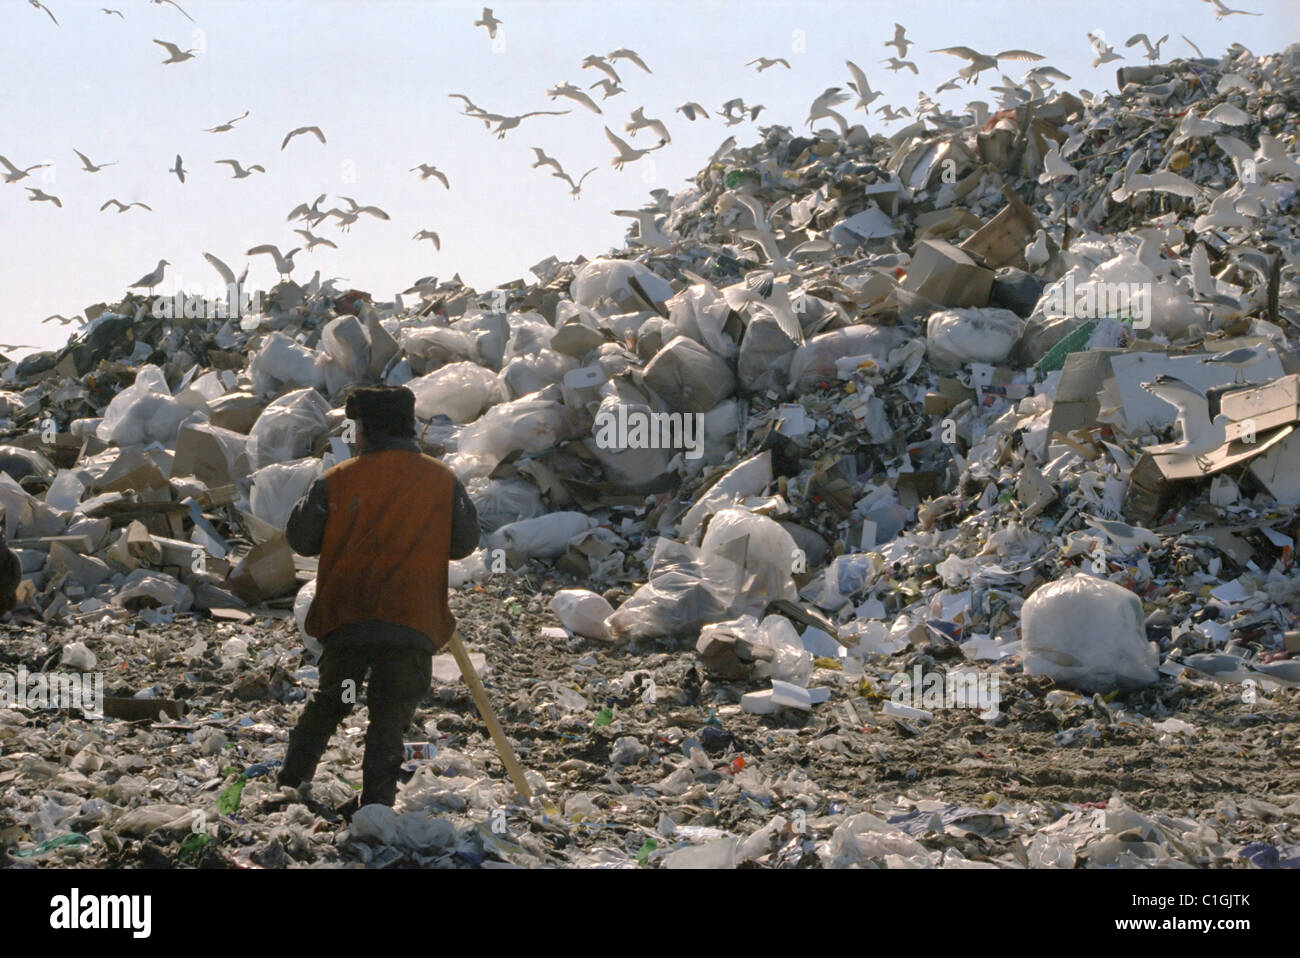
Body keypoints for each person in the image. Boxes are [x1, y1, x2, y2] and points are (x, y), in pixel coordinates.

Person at [274, 385, 479, 814]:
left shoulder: (338, 478)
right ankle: (377, 806)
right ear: (409, 427)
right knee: (389, 717)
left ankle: (290, 784)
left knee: (336, 699)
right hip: (411, 625)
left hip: (350, 623)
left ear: (363, 427)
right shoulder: (442, 480)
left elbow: (301, 539)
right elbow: (464, 544)